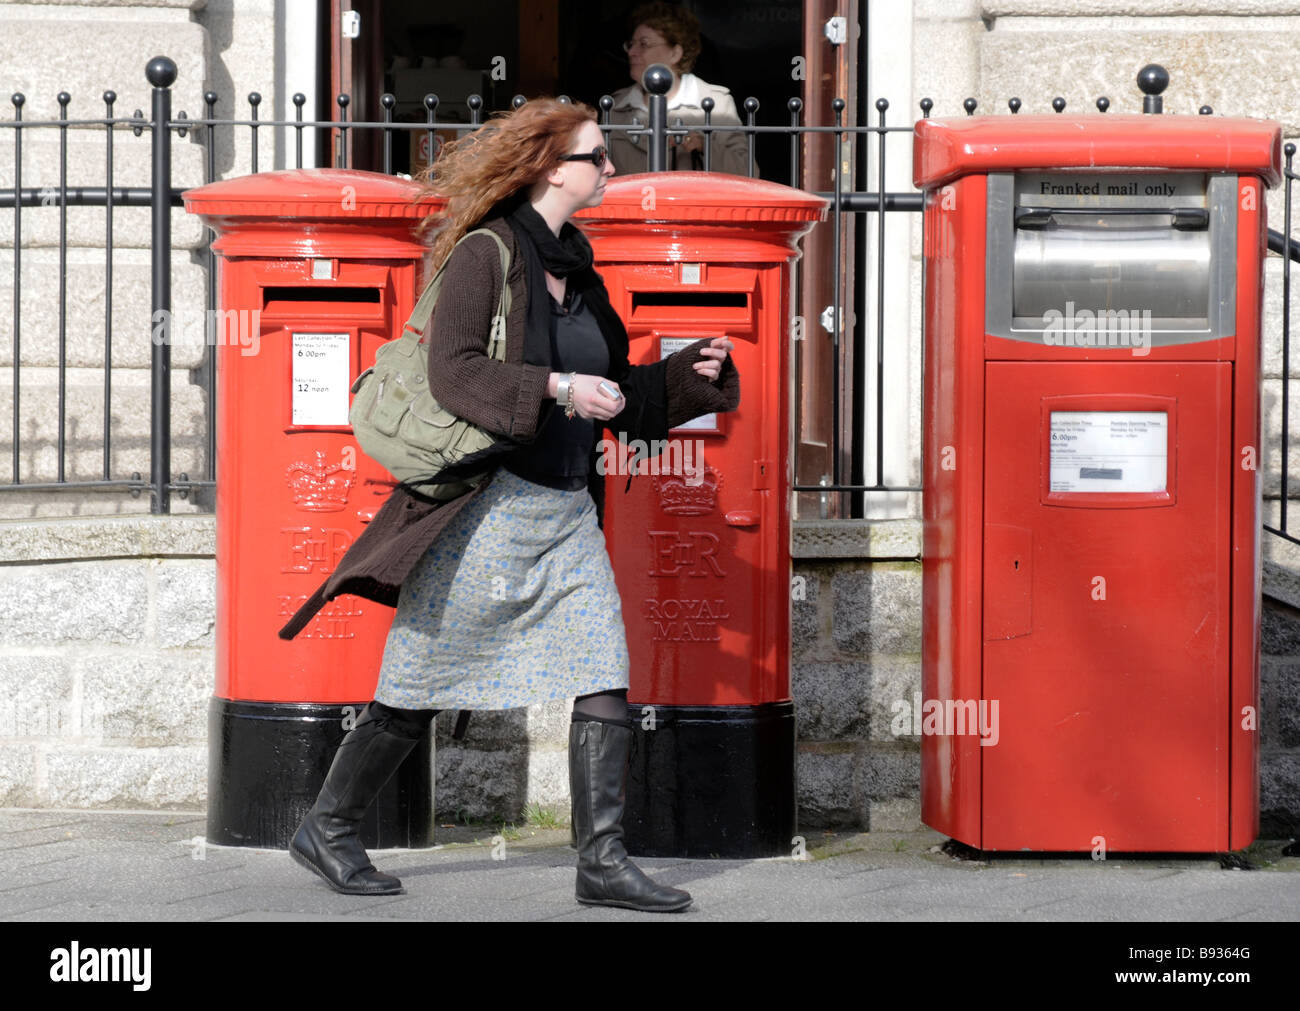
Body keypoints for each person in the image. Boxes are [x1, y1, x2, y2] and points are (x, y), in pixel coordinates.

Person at [279, 97, 739, 914]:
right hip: (486, 508)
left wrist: (689, 377)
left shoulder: (579, 267)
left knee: (604, 670)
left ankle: (601, 859)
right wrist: (558, 387)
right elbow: (455, 372)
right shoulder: (485, 257)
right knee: (416, 681)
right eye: (598, 158)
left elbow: (620, 396)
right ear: (550, 168)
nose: (611, 169)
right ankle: (329, 824)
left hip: (565, 516)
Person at [607, 2, 753, 177]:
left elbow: (748, 172)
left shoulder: (716, 103)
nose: (632, 52)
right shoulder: (615, 106)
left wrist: (704, 145)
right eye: (631, 44)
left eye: (644, 44)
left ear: (675, 53)